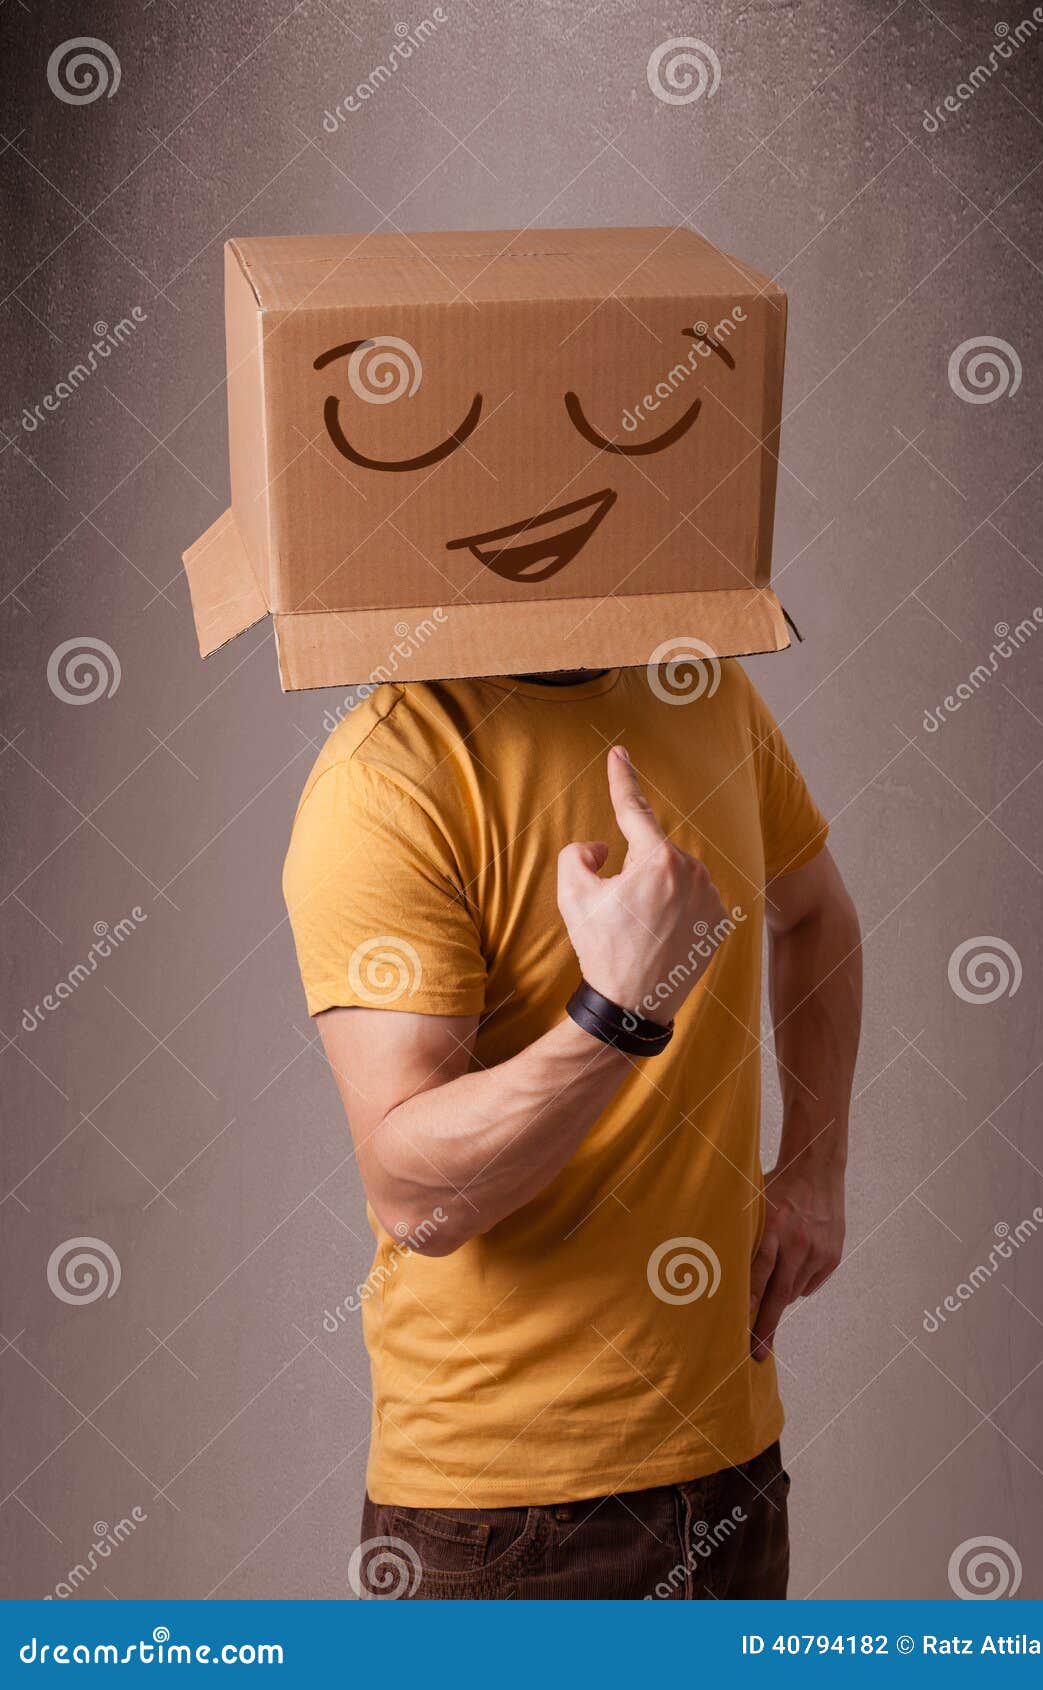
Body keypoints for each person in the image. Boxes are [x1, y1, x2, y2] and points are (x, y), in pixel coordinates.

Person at [283, 659, 862, 1599]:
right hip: (506, 1519)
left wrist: (816, 1165)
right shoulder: (387, 775)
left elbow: (816, 917)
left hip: (732, 1468)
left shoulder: (703, 684)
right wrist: (621, 1011)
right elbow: (417, 1197)